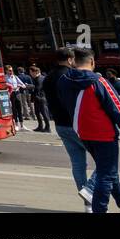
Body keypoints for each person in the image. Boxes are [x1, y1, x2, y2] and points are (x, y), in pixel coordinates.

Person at [57, 47, 120, 214]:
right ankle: (100, 210)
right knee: (106, 176)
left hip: (83, 133)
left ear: (73, 61)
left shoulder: (63, 81)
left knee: (110, 173)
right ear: (92, 62)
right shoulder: (98, 81)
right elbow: (117, 109)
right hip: (104, 135)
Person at [42, 48, 96, 208]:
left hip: (60, 125)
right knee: (104, 162)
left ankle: (88, 204)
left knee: (78, 164)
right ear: (71, 59)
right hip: (76, 124)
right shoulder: (69, 75)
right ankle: (90, 190)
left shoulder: (48, 78)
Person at [29, 63, 51, 132]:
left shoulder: (39, 79)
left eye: (31, 72)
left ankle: (47, 127)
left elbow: (37, 89)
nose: (30, 74)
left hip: (40, 98)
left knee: (43, 113)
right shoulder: (41, 77)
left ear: (35, 72)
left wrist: (31, 87)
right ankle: (40, 126)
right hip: (41, 98)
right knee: (38, 113)